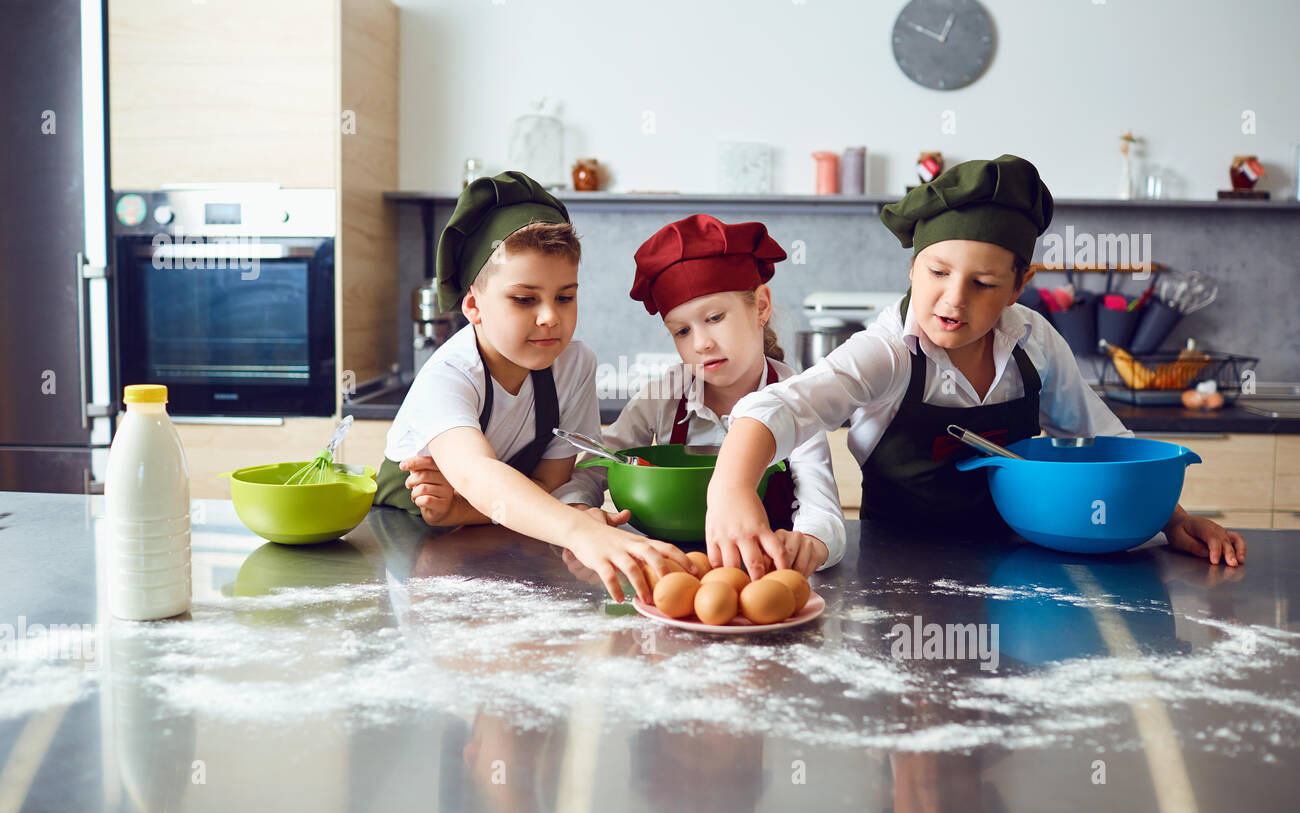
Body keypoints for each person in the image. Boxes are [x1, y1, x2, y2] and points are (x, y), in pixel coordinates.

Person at [704, 154, 1247, 575]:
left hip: (1021, 568)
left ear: (1018, 286)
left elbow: (1102, 441)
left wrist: (1173, 521)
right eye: (938, 273)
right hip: (897, 573)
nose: (954, 299)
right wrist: (730, 490)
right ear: (913, 268)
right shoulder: (888, 352)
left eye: (983, 283)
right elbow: (777, 407)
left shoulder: (1034, 341)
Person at [375, 170, 692, 600]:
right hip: (411, 555)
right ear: (473, 305)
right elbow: (476, 472)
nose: (550, 317)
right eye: (524, 299)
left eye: (565, 297)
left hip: (508, 543)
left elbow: (551, 484)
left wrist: (459, 510)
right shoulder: (447, 376)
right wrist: (579, 530)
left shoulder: (573, 365)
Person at [554, 214, 845, 576]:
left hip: (762, 573)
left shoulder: (797, 401)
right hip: (672, 572)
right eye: (682, 331)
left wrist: (811, 542)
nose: (701, 344)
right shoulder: (664, 395)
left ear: (761, 306)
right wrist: (580, 512)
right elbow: (596, 465)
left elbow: (823, 512)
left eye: (715, 318)